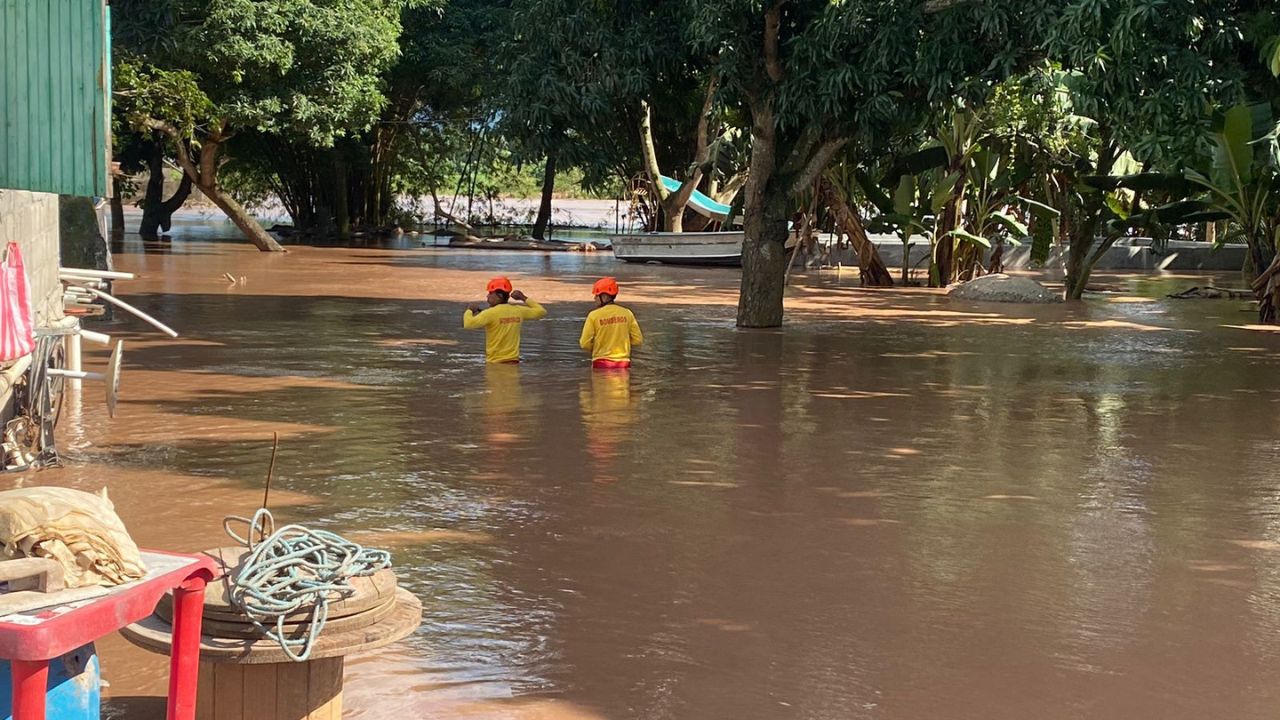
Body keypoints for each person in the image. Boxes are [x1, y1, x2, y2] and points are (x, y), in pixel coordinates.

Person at [463, 277, 546, 363]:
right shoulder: (518, 311)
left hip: (495, 363)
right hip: (514, 362)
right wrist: (523, 297)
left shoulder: (489, 313)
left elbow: (468, 324)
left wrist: (469, 310)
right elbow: (541, 311)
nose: (487, 296)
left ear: (500, 296)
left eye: (491, 293)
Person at [579, 277, 643, 369]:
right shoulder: (627, 313)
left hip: (601, 363)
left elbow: (584, 343)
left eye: (597, 295)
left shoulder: (593, 316)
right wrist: (621, 341)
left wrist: (599, 346)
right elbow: (638, 340)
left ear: (604, 296)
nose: (594, 298)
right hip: (624, 363)